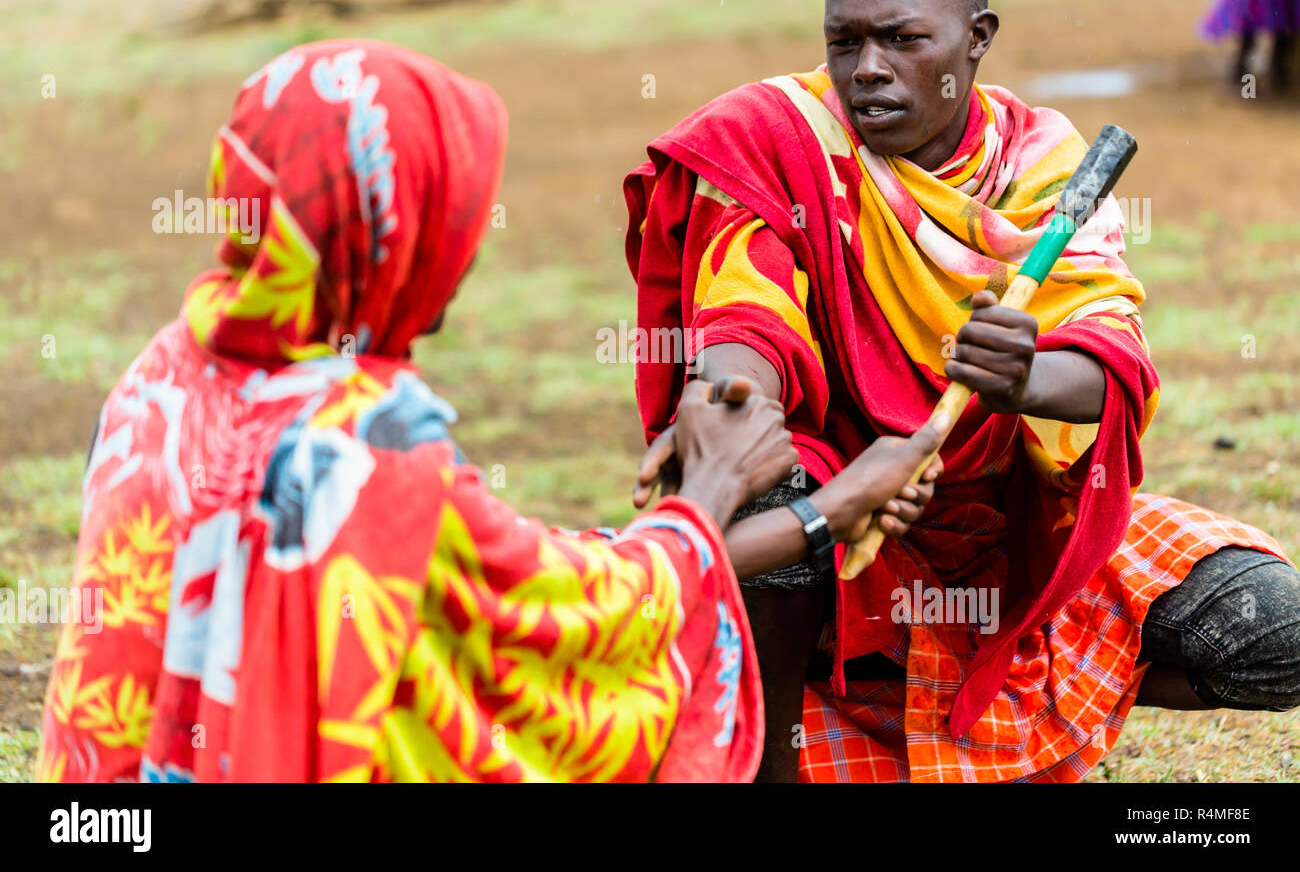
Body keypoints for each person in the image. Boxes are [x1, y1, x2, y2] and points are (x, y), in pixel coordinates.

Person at [38, 39, 945, 783]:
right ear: (382, 236)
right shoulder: (370, 446)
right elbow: (583, 618)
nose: (465, 257)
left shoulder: (159, 383)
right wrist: (773, 497)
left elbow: (492, 574)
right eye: (449, 219)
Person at [624, 0, 1300, 782]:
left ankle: (1029, 711)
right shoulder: (773, 140)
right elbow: (744, 325)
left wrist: (1022, 376)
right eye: (846, 42)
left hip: (1011, 533)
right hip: (843, 529)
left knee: (1266, 630)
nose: (869, 69)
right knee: (762, 484)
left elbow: (1110, 370)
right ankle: (771, 758)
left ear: (977, 39)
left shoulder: (1042, 163)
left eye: (903, 40)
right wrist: (729, 405)